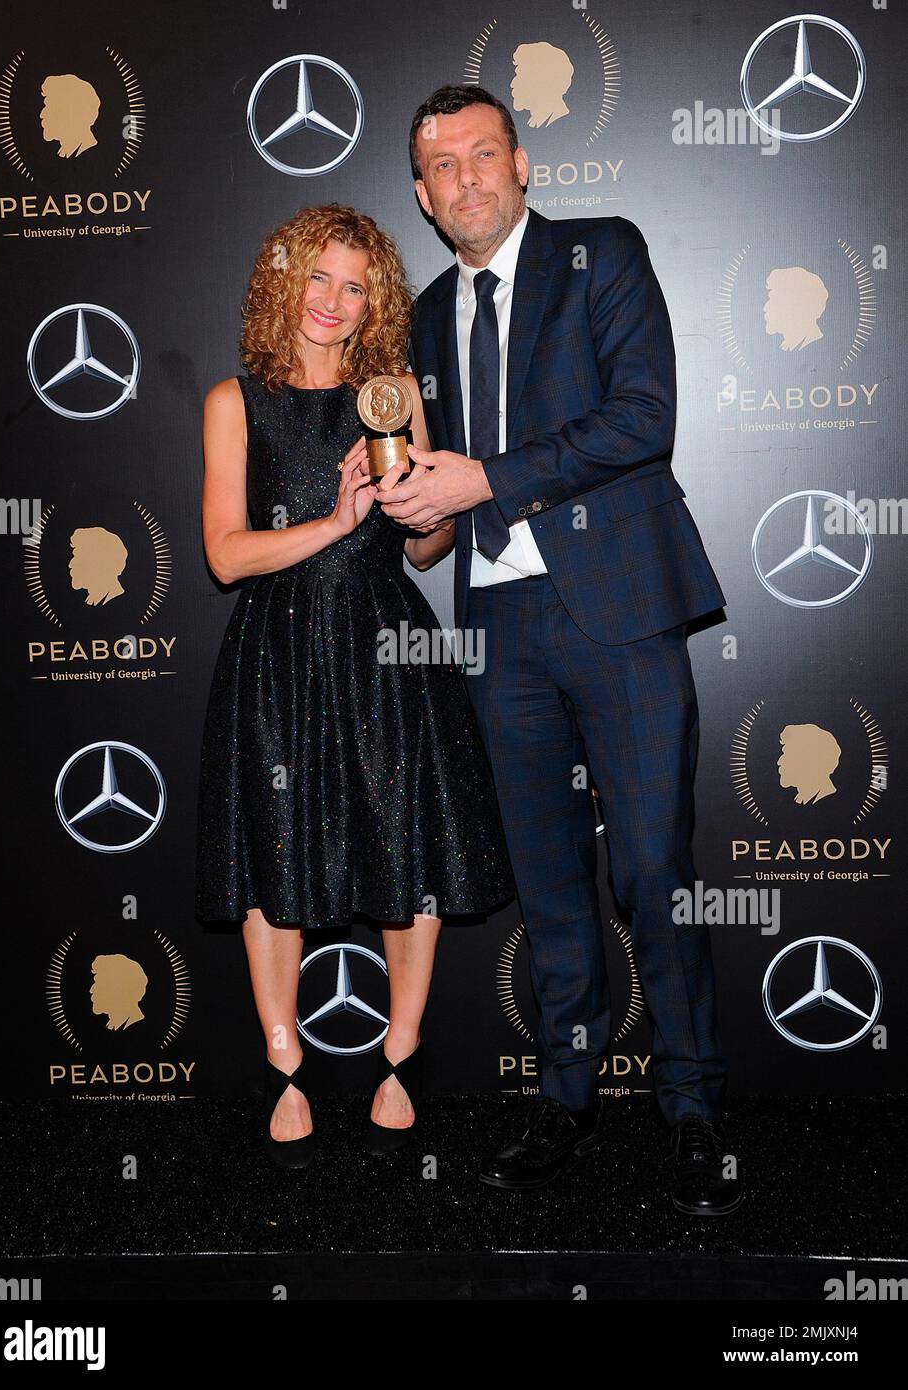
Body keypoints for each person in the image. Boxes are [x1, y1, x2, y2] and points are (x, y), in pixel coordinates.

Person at [375, 84, 743, 1215]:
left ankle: (691, 1108)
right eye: (441, 166)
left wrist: (481, 478)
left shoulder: (604, 255)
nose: (466, 178)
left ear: (524, 164)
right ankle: (566, 1095)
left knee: (650, 871)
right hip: (500, 633)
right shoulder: (427, 321)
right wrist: (407, 508)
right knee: (549, 887)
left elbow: (644, 418)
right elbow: (441, 529)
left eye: (484, 154)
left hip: (621, 614)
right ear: (426, 200)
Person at [194, 203, 515, 1167]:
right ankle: (284, 1062)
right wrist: (333, 523)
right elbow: (223, 554)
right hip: (278, 651)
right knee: (273, 859)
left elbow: (426, 548)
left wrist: (421, 501)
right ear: (282, 284)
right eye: (319, 279)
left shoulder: (394, 396)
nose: (334, 301)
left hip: (388, 649)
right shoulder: (233, 402)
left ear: (375, 300)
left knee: (405, 846)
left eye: (356, 284)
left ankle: (401, 1053)